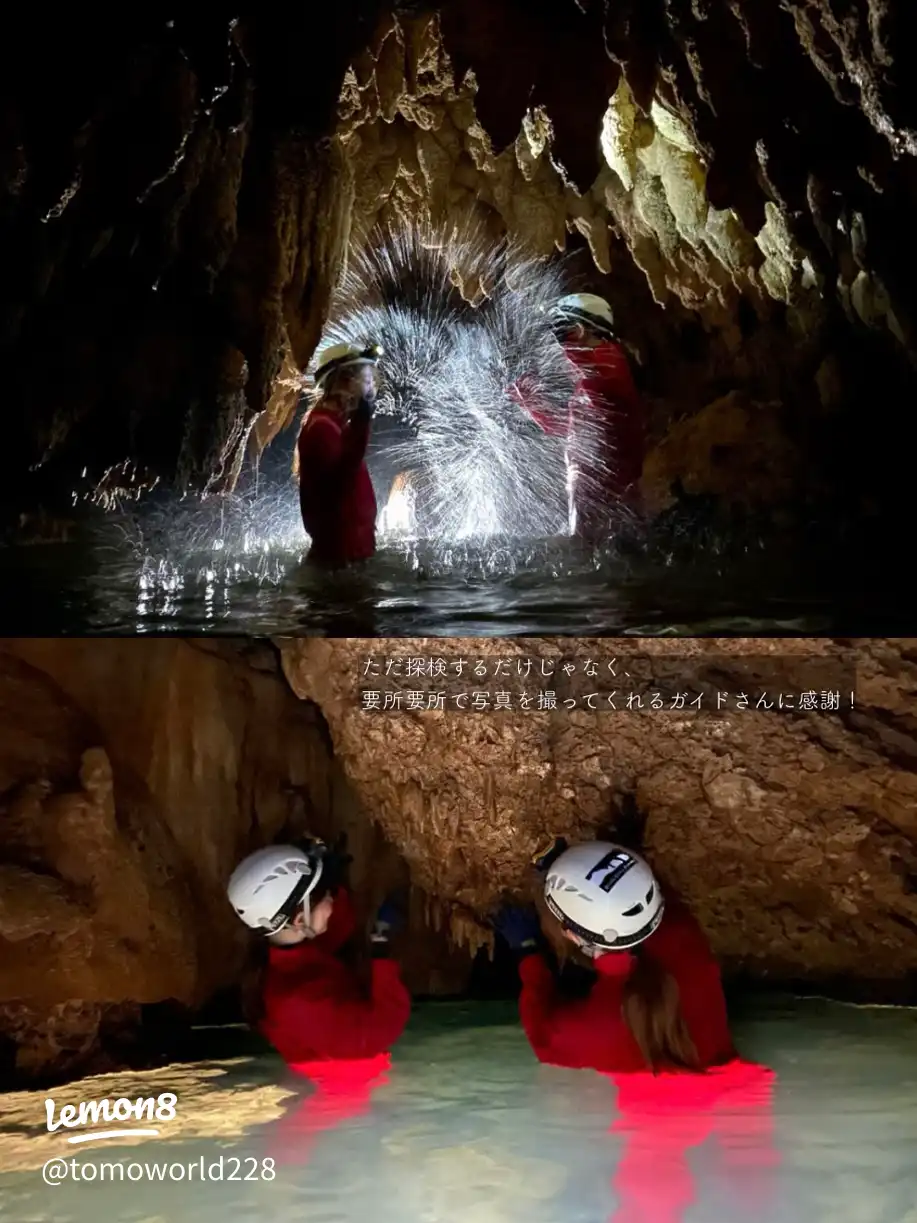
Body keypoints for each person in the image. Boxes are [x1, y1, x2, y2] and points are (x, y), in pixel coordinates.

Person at [493, 839, 735, 1074]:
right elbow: (636, 890)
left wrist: (527, 951)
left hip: (660, 1102)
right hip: (727, 1091)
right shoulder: (686, 937)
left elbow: (543, 1039)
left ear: (572, 935)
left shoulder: (592, 1028)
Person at [227, 839, 411, 1064]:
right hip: (345, 1089)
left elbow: (335, 931)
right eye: (325, 894)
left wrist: (336, 881)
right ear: (300, 920)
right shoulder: (296, 1002)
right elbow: (376, 1032)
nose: (331, 899)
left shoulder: (290, 956)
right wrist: (382, 953)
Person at [509, 294, 646, 540]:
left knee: (584, 550)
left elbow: (584, 436)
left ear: (579, 330)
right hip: (611, 506)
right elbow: (575, 429)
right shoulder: (598, 378)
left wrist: (531, 399)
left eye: (559, 334)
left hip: (595, 505)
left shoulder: (604, 374)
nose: (557, 345)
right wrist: (531, 403)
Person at [296, 342, 382, 568]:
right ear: (345, 381)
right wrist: (362, 424)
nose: (370, 390)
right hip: (338, 568)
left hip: (349, 560)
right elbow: (341, 482)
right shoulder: (321, 429)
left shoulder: (335, 425)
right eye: (366, 382)